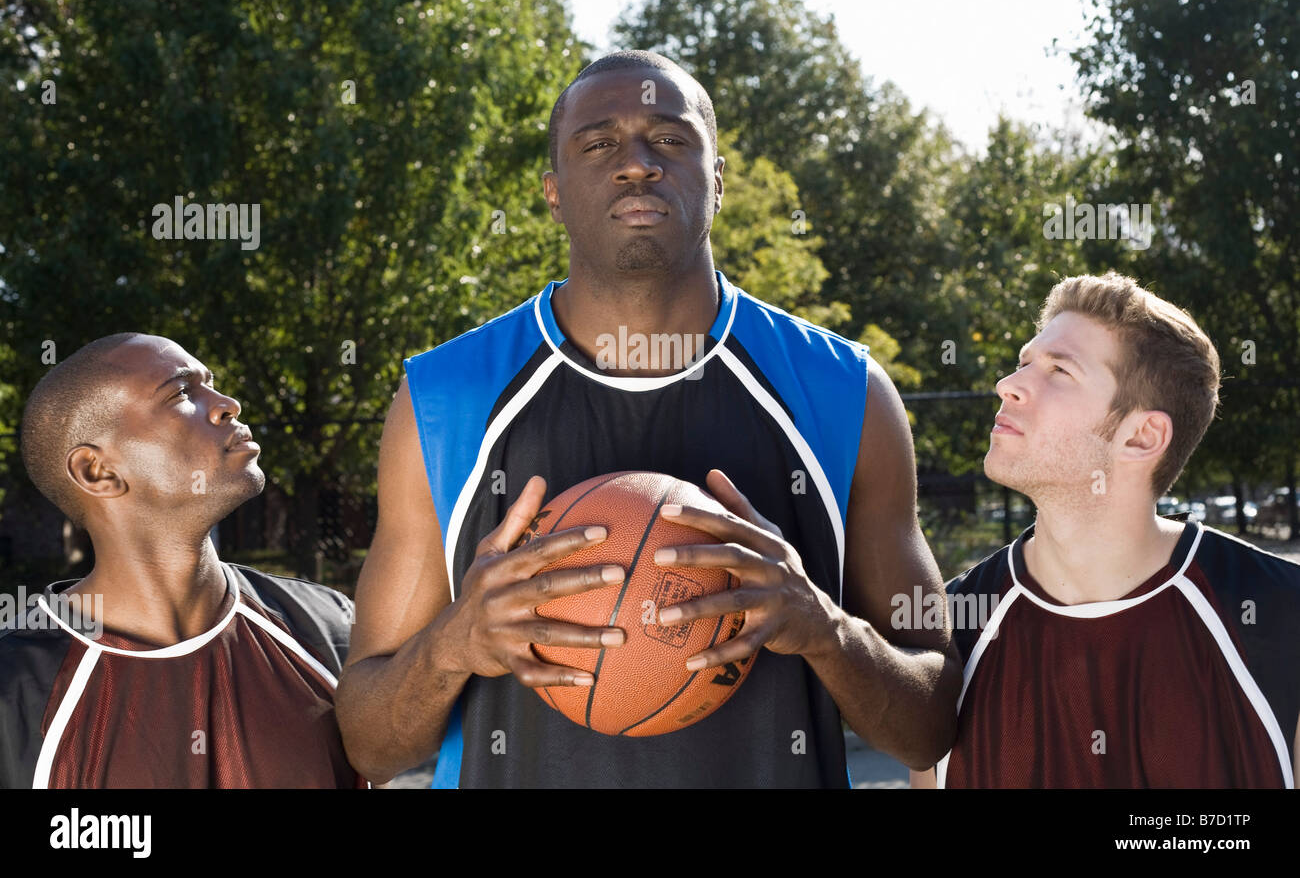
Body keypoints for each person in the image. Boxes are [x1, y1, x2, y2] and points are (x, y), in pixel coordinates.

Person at [336, 49, 962, 787]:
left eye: (670, 139)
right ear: (553, 193)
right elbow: (370, 746)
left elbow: (931, 726)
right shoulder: (443, 399)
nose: (636, 164)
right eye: (598, 144)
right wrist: (452, 645)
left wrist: (824, 629)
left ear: (718, 181)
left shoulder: (844, 390)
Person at [912, 272, 1300, 788]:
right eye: (1026, 362)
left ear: (1141, 436)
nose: (1009, 384)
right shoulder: (947, 634)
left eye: (1059, 371)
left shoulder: (1281, 617)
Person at [0, 333, 365, 788]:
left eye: (212, 383)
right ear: (98, 471)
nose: (227, 403)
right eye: (182, 393)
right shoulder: (14, 689)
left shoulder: (329, 627)